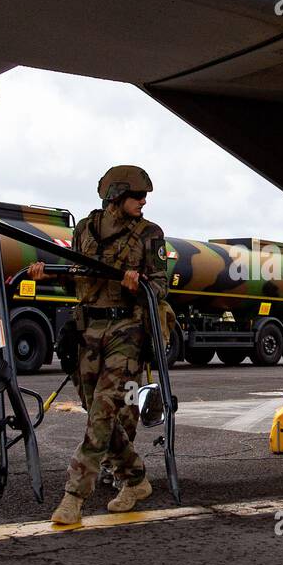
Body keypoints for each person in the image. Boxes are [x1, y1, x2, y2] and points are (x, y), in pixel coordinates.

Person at [37, 165, 169, 528]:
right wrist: (49, 275)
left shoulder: (150, 234)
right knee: (95, 408)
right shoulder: (84, 229)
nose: (144, 201)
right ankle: (136, 479)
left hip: (126, 327)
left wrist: (137, 284)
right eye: (137, 196)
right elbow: (74, 282)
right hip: (87, 327)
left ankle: (74, 496)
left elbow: (161, 285)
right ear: (116, 196)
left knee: (102, 409)